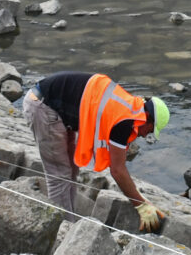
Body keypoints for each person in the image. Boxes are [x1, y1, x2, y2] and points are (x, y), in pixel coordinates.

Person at [22, 72, 170, 230]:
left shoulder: (130, 107)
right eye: (150, 129)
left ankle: (68, 223)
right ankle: (62, 232)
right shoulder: (125, 120)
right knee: (59, 175)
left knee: (71, 170)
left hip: (57, 108)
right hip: (43, 106)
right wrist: (140, 205)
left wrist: (140, 201)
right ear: (147, 117)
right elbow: (117, 170)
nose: (145, 134)